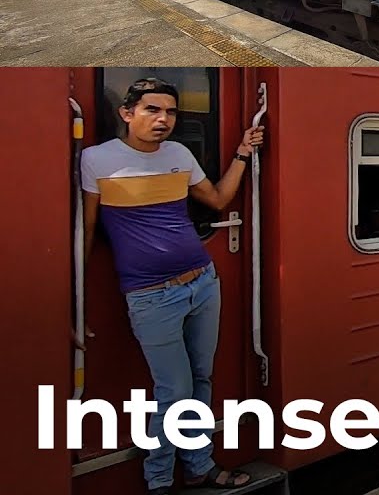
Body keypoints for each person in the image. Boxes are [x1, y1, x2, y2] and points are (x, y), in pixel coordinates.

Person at [80, 78, 262, 494]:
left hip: (202, 282)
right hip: (149, 294)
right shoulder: (97, 159)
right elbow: (87, 231)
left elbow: (217, 201)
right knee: (174, 390)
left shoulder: (179, 154)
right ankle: (159, 480)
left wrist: (240, 154)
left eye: (171, 112)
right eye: (152, 110)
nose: (164, 120)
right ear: (127, 114)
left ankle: (198, 465)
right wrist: (76, 299)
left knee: (201, 379)